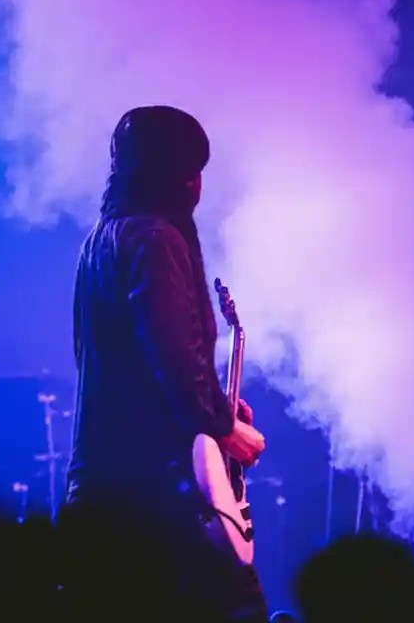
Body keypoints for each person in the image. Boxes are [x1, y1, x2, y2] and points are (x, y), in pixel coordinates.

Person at [61, 105, 268, 621]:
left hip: (101, 494)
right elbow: (172, 358)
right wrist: (222, 427)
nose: (198, 189)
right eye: (192, 174)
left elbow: (135, 362)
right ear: (182, 178)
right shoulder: (156, 238)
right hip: (156, 506)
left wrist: (214, 404)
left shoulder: (98, 242)